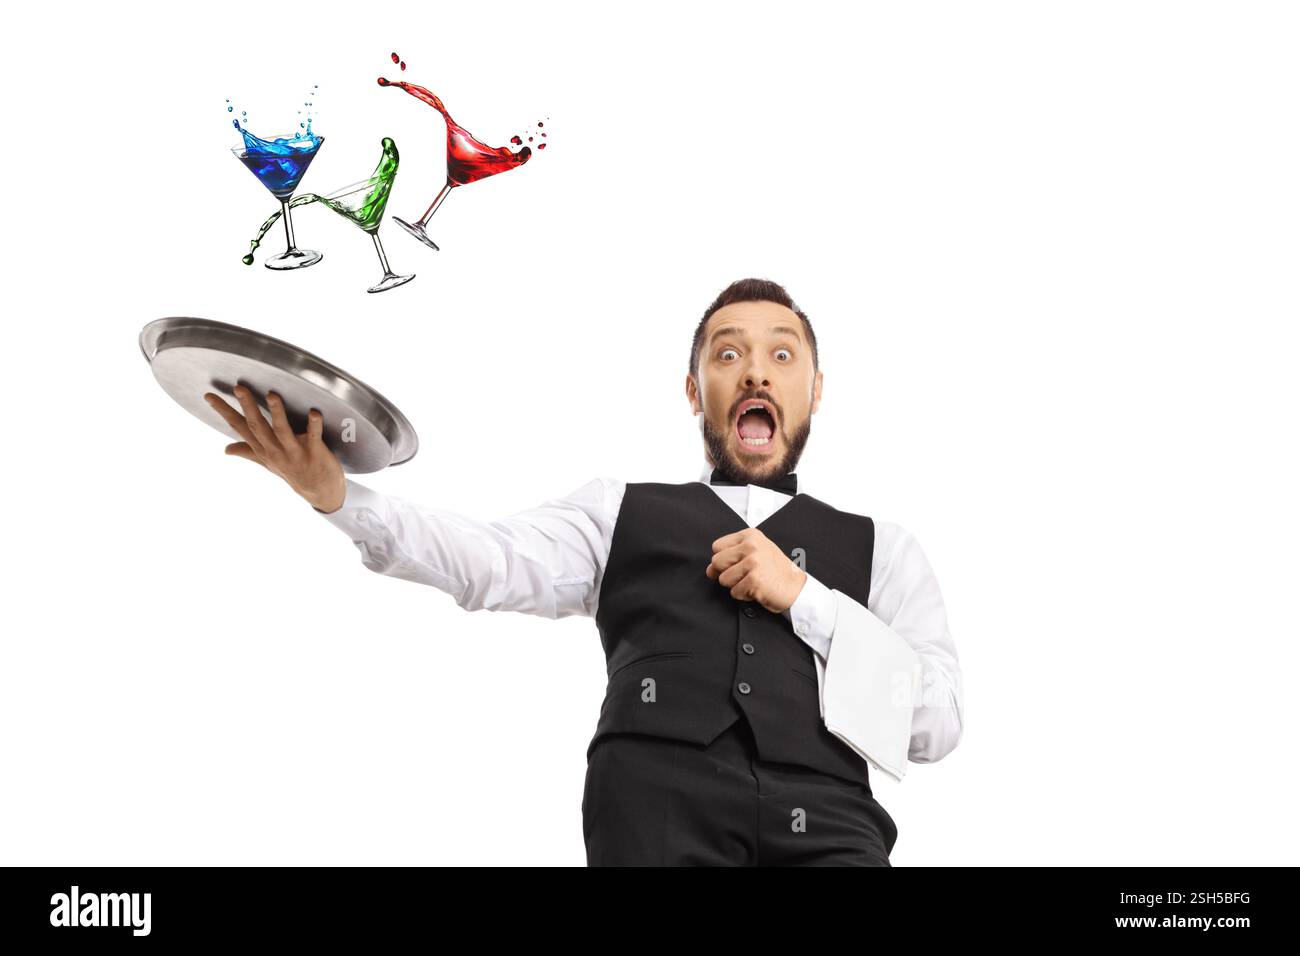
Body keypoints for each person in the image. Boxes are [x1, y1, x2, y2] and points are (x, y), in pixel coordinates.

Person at [203, 277, 964, 866]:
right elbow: (489, 562)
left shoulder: (884, 550)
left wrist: (808, 601)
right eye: (727, 354)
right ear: (696, 391)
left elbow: (936, 724)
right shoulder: (615, 511)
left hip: (830, 822)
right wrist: (342, 499)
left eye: (783, 355)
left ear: (816, 392)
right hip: (655, 807)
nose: (756, 373)